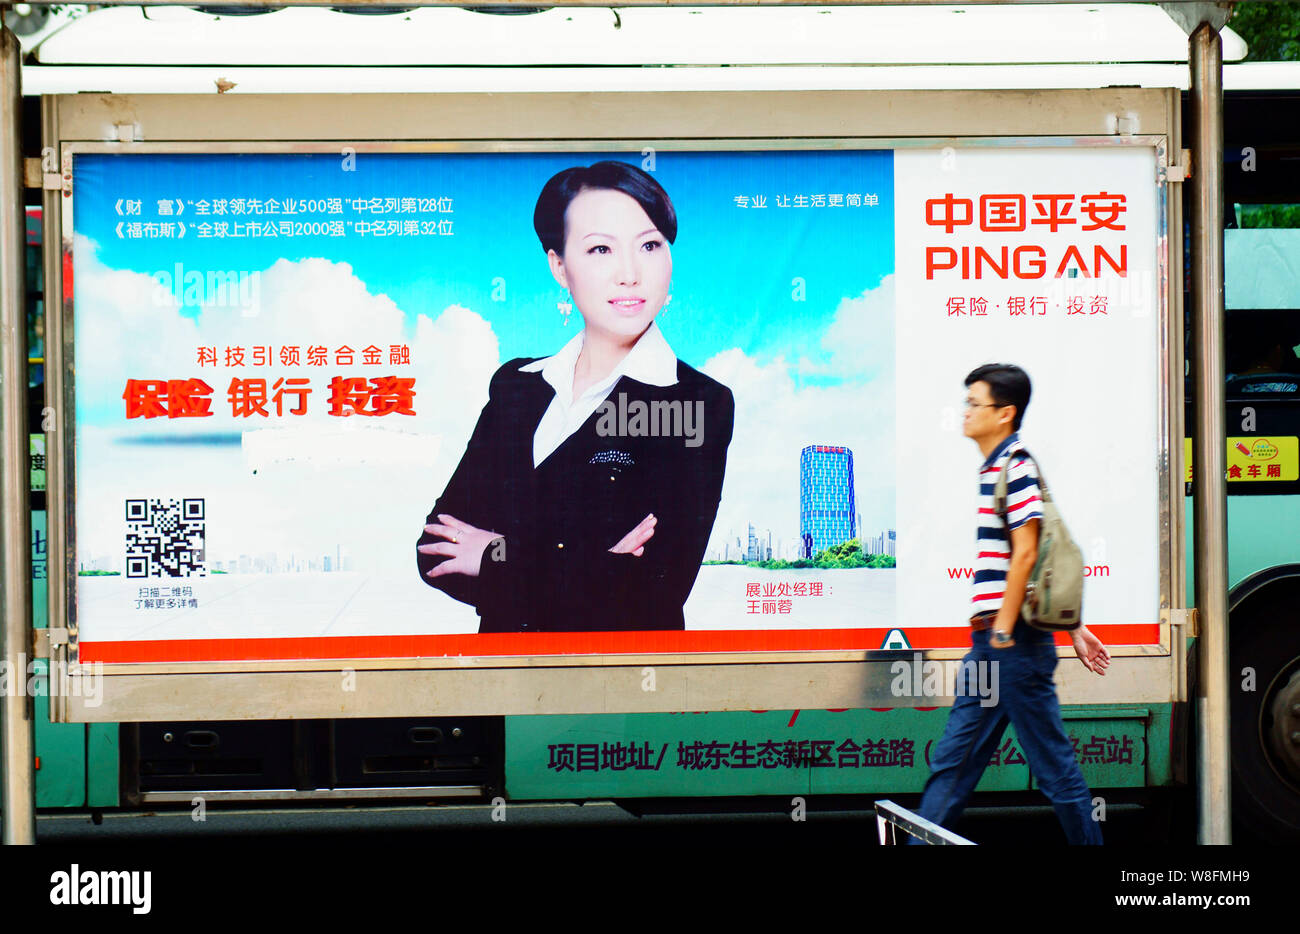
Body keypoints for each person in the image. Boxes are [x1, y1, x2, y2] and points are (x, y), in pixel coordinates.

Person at [415, 160, 734, 633]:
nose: (630, 274)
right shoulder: (517, 386)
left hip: (626, 688)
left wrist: (491, 554)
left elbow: (651, 589)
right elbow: (436, 551)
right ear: (559, 266)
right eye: (601, 249)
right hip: (504, 678)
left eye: (649, 245)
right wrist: (591, 562)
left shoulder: (696, 402)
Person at [909, 363, 1110, 845]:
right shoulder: (993, 466)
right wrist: (1071, 628)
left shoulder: (1015, 464)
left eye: (975, 403)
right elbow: (1039, 559)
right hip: (994, 641)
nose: (966, 411)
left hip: (1012, 643)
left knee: (1052, 767)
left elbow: (1027, 549)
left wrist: (1003, 630)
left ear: (1005, 413)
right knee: (954, 762)